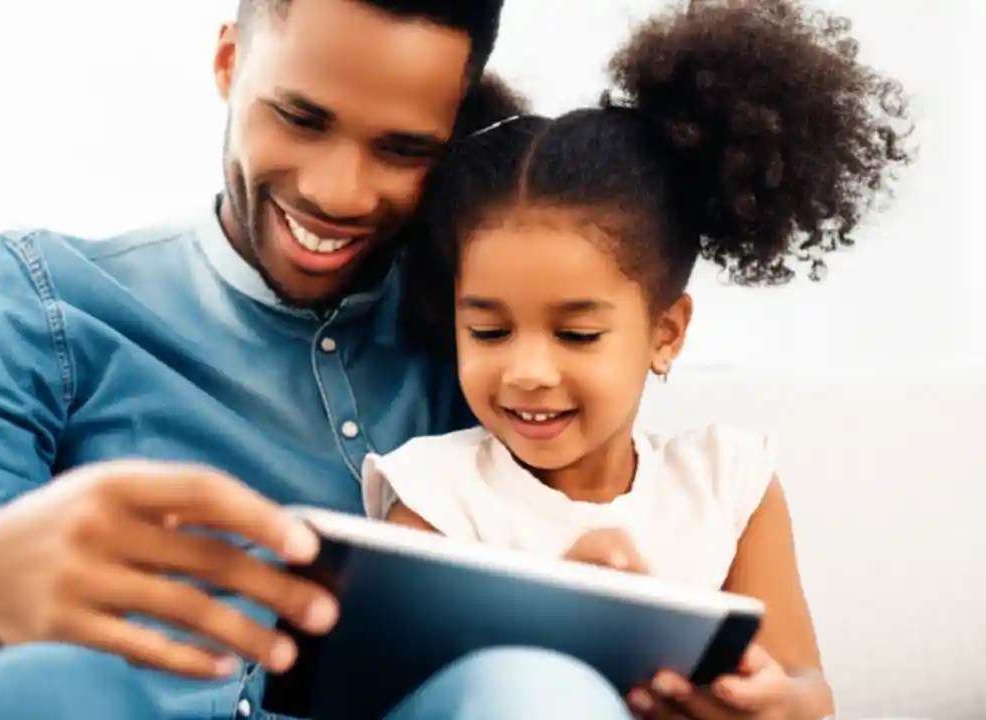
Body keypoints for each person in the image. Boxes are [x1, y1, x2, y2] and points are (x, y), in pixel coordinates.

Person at [0, 0, 643, 718]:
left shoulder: (492, 341)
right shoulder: (39, 304)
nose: (340, 193)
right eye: (300, 117)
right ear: (229, 62)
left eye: (403, 149)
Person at [362, 1, 912, 718]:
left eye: (577, 335)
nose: (528, 370)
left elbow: (809, 689)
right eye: (490, 333)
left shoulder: (726, 487)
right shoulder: (437, 498)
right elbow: (391, 695)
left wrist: (777, 703)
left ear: (666, 333)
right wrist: (558, 616)